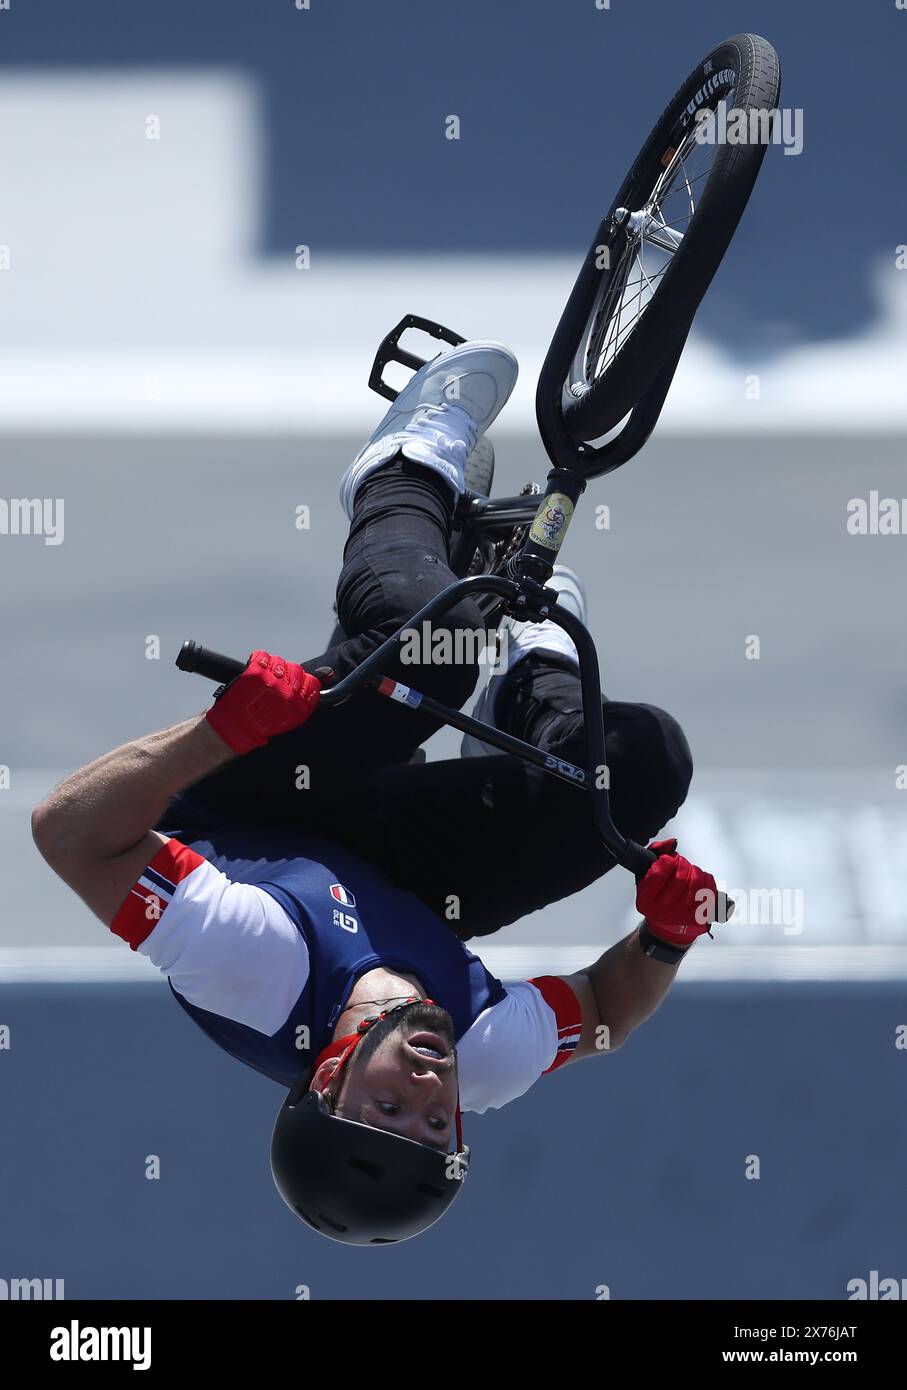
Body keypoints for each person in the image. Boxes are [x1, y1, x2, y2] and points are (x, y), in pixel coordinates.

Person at [32, 340, 726, 1246]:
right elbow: (605, 1012)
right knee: (643, 764)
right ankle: (536, 667)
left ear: (328, 1080)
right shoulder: (485, 1056)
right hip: (397, 875)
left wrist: (225, 731)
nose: (430, 1093)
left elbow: (72, 835)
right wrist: (666, 937)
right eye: (437, 1125)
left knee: (430, 646)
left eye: (390, 1105)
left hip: (239, 807)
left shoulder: (251, 964)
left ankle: (405, 465)